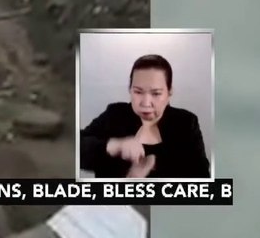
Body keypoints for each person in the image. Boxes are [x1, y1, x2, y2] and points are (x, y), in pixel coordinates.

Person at [80, 54, 211, 178]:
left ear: (169, 91)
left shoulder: (185, 122)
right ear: (130, 89)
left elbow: (202, 177)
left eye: (156, 93)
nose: (146, 103)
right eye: (138, 92)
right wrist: (114, 145)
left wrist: (152, 172)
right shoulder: (114, 114)